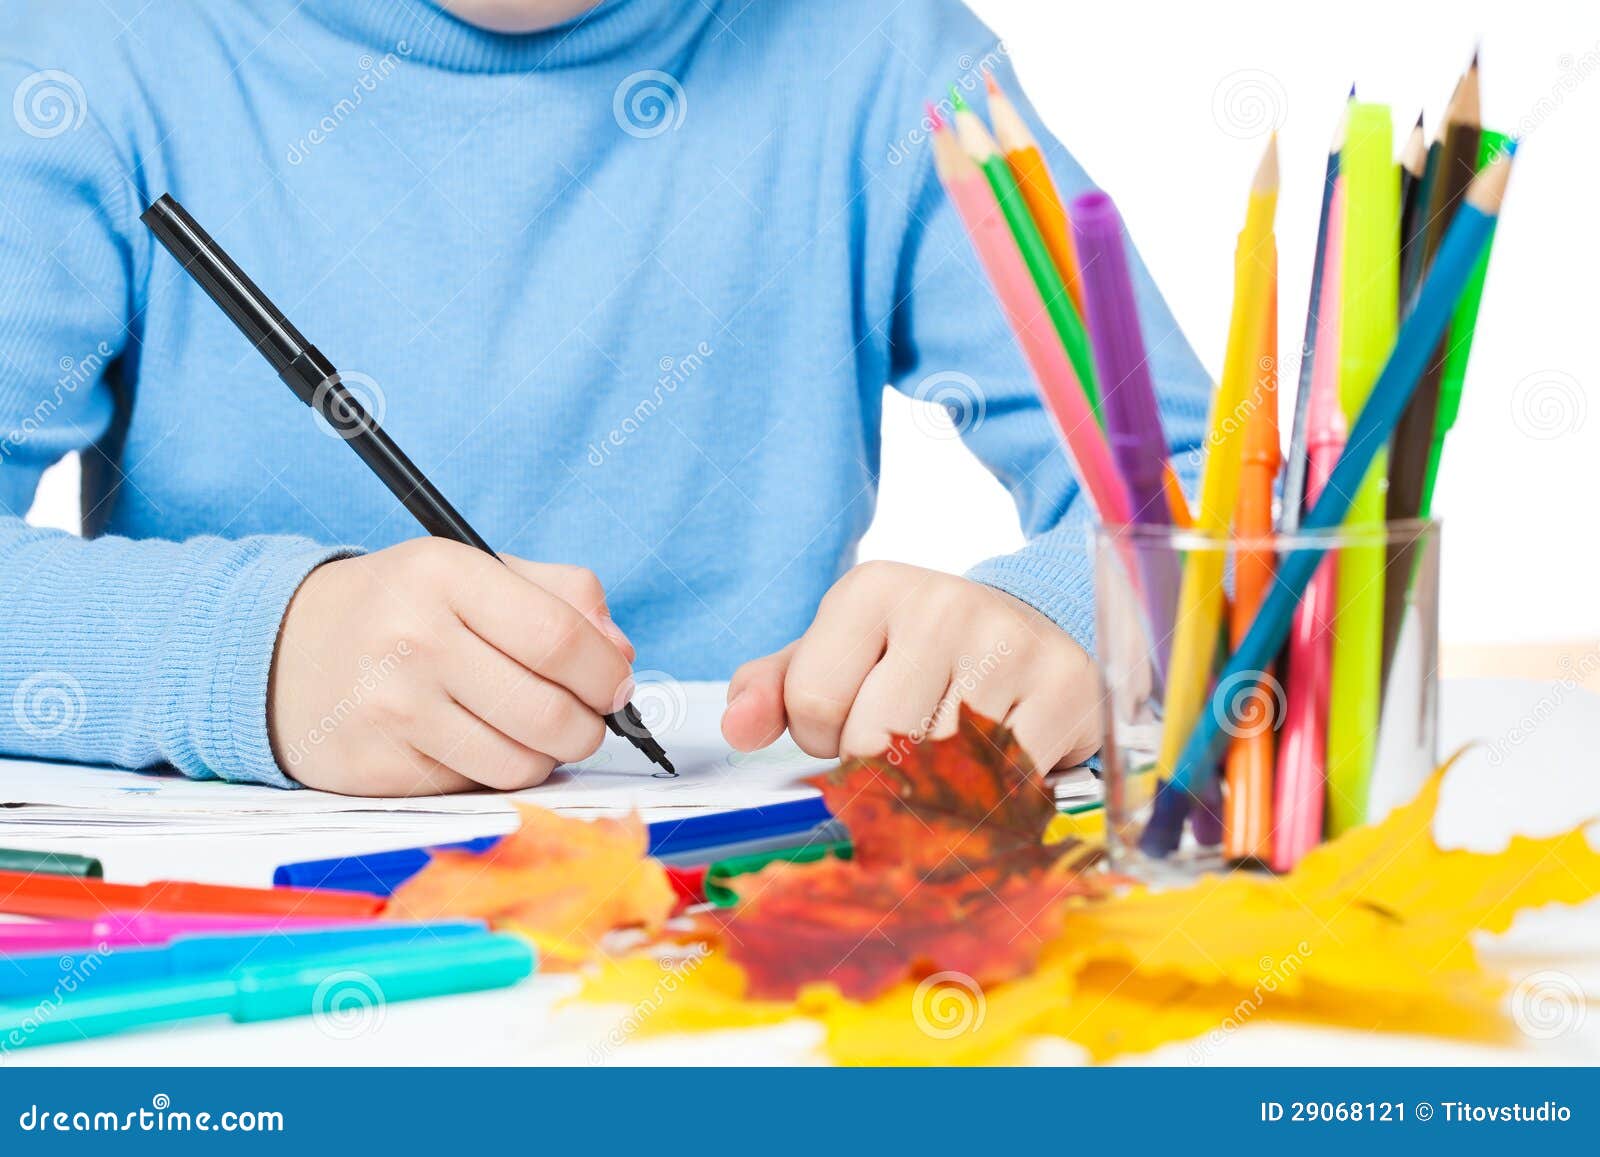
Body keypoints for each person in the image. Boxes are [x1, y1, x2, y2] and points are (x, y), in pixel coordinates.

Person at [0, 0, 1208, 795]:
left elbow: (1220, 494)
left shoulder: (882, 57)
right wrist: (249, 653)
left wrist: (1066, 614)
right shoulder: (87, 59)